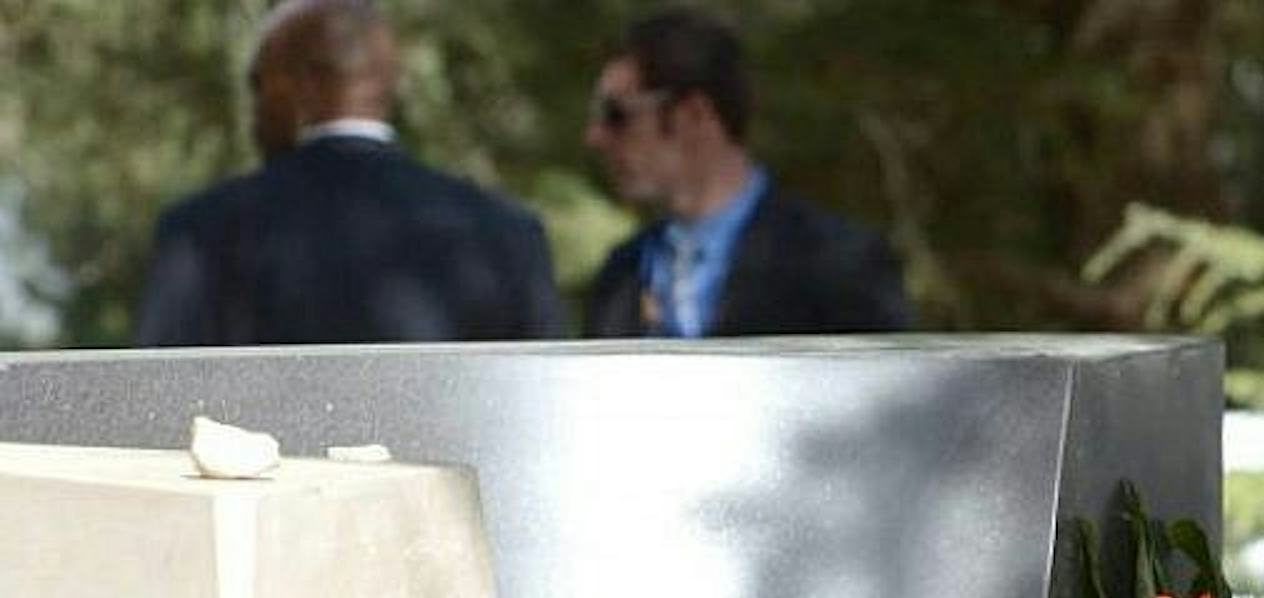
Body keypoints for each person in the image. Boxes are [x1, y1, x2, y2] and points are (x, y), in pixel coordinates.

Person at [135, 0, 564, 346]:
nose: (255, 108)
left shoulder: (203, 235)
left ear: (300, 83)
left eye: (258, 83)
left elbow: (155, 408)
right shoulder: (508, 236)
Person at [580, 7, 911, 339]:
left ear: (695, 115)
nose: (594, 137)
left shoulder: (841, 262)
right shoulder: (620, 274)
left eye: (616, 115)